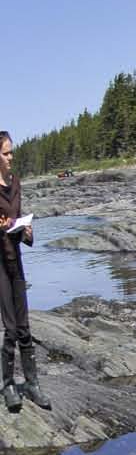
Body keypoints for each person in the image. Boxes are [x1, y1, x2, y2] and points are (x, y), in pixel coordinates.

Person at [0, 130, 44, 411]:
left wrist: (26, 230)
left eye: (11, 152)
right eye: (6, 153)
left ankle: (32, 382)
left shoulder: (16, 183)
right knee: (11, 326)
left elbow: (17, 216)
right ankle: (7, 385)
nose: (11, 157)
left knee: (24, 324)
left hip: (15, 256)